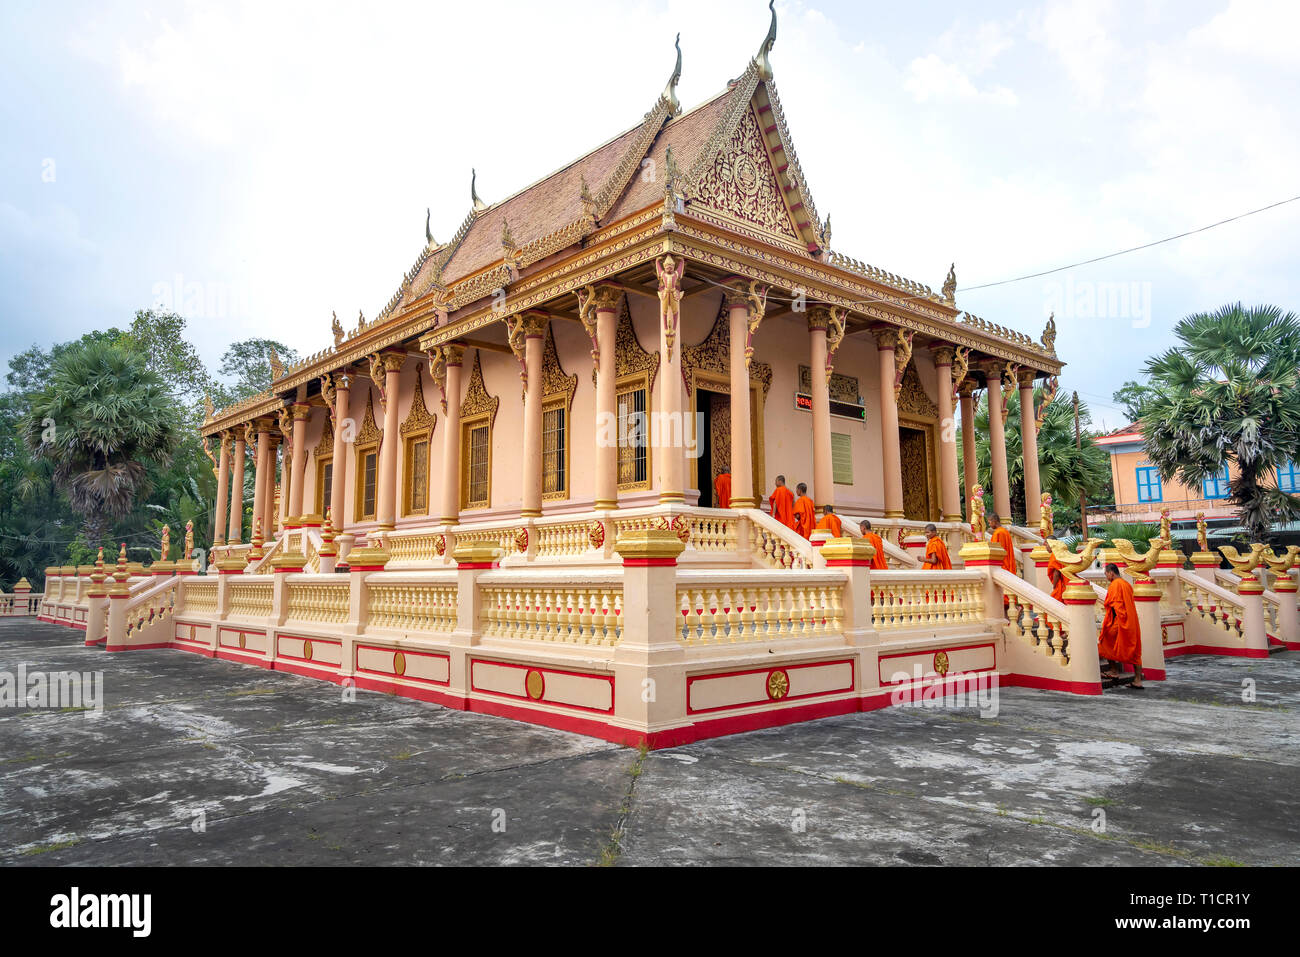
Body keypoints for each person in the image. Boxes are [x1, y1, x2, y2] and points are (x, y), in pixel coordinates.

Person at [1099, 562, 1143, 688]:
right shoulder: (1126, 584)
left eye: (1106, 574)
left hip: (1119, 621)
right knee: (1135, 651)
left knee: (1104, 642)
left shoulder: (1115, 585)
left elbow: (1116, 606)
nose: (1106, 577)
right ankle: (1138, 680)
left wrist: (1112, 621)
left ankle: (1113, 671)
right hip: (1131, 621)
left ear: (1111, 573)